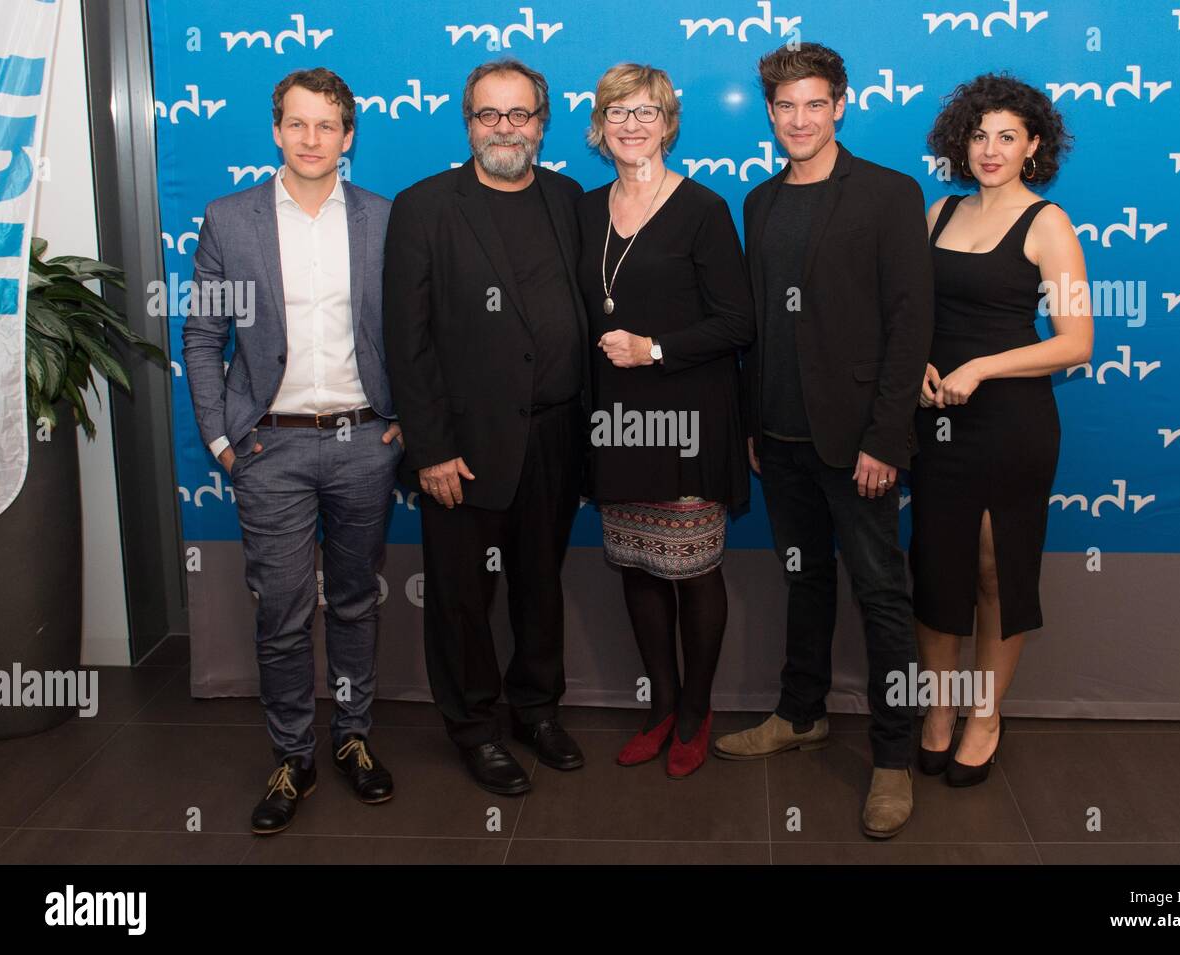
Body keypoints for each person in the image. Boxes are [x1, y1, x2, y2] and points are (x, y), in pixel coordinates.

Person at [713, 43, 934, 838]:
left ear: (841, 104)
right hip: (779, 437)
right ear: (769, 113)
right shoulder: (760, 202)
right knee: (803, 582)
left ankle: (893, 755)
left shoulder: (887, 193)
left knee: (883, 599)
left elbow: (911, 327)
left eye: (814, 103)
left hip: (859, 444)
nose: (799, 119)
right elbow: (759, 326)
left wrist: (886, 438)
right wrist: (749, 425)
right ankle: (800, 712)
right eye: (784, 107)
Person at [183, 68, 400, 835]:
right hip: (268, 448)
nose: (312, 140)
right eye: (298, 124)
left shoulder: (382, 216)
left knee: (351, 601)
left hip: (366, 443)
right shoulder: (229, 219)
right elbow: (204, 333)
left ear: (349, 136)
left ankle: (353, 738)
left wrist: (400, 417)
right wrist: (221, 436)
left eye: (328, 126)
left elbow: (414, 324)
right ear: (276, 130)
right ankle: (292, 755)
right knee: (281, 611)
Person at [382, 59, 589, 796]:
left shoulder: (569, 198)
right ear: (467, 122)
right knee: (463, 595)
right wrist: (431, 446)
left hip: (557, 438)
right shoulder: (424, 207)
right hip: (462, 449)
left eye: (519, 114)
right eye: (488, 115)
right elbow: (404, 341)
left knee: (540, 581)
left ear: (543, 121)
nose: (504, 129)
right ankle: (473, 725)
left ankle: (536, 707)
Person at [575, 64, 755, 778]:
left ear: (669, 123)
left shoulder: (703, 209)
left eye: (646, 111)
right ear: (599, 123)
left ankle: (696, 710)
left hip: (687, 414)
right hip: (615, 420)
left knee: (692, 570)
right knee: (638, 565)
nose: (631, 124)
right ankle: (660, 704)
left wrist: (655, 349)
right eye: (618, 111)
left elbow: (738, 322)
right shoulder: (584, 210)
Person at [912, 74, 1092, 786]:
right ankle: (937, 711)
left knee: (995, 570)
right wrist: (922, 361)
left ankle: (984, 716)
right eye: (979, 135)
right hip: (935, 420)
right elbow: (912, 310)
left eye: (1007, 137)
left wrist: (983, 366)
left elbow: (1076, 341)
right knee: (936, 566)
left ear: (1034, 145)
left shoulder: (1049, 223)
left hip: (1011, 422)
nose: (990, 150)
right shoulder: (937, 212)